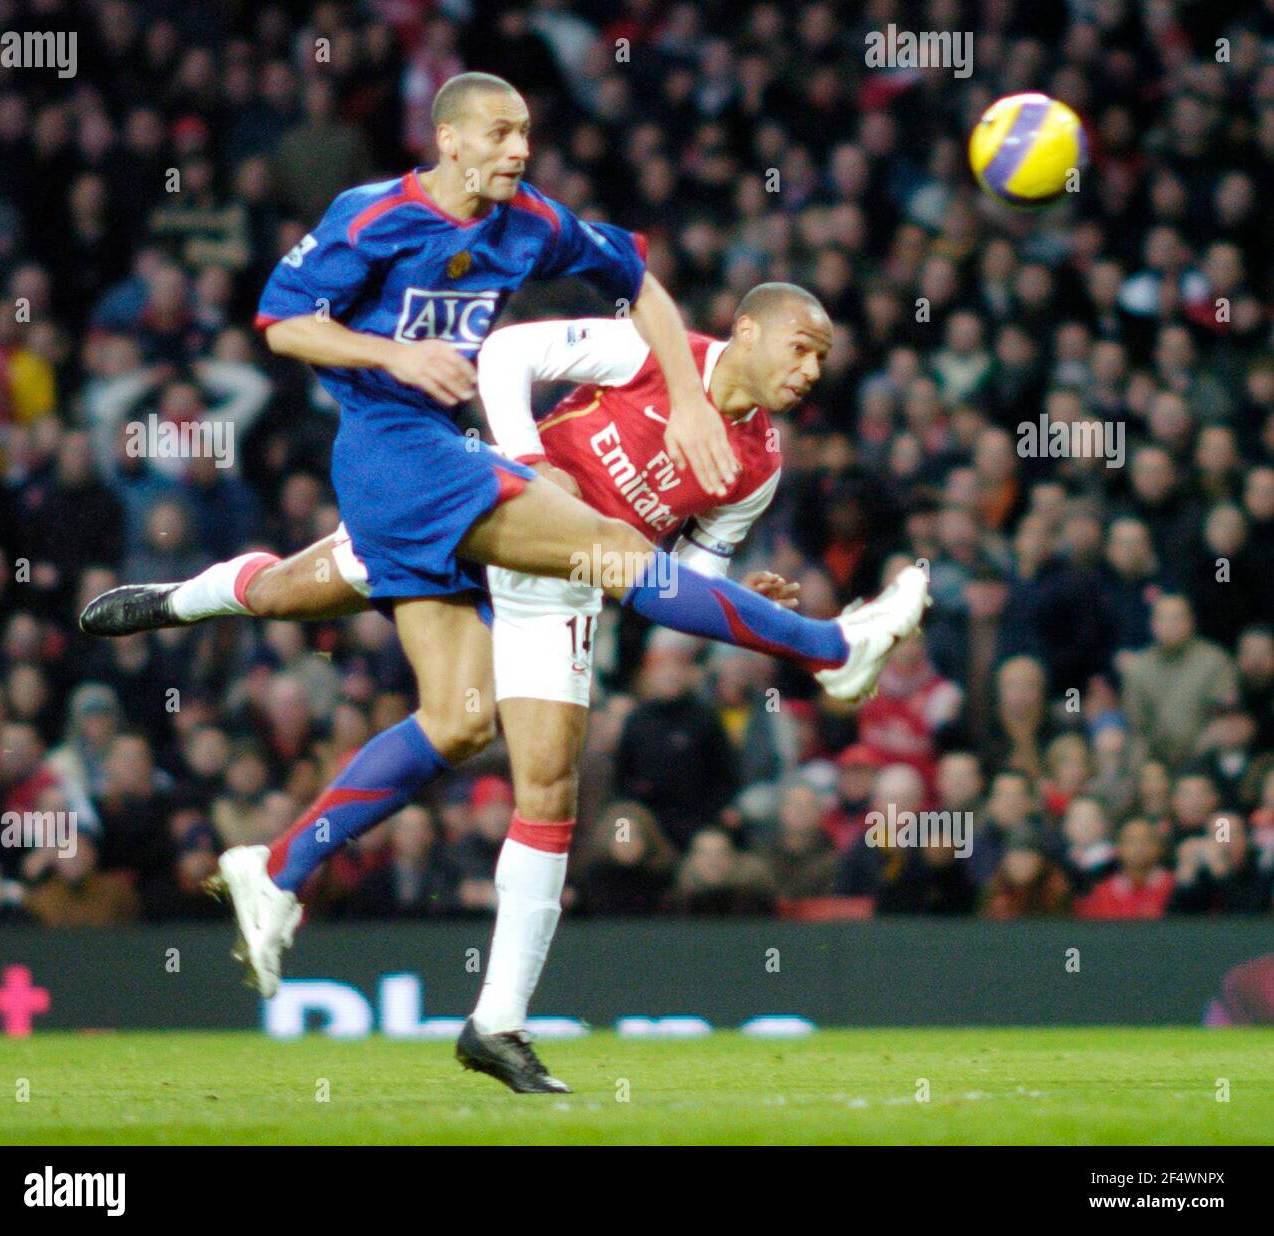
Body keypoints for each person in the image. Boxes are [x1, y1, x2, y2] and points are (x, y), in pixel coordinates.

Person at [80, 72, 929, 1092]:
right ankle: (836, 652)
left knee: (463, 724)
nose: (520, 147)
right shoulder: (375, 215)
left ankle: (290, 874)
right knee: (608, 557)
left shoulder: (535, 227)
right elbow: (284, 324)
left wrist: (700, 434)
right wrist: (401, 361)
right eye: (499, 130)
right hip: (406, 449)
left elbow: (639, 279)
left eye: (528, 131)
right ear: (446, 138)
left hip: (480, 494)